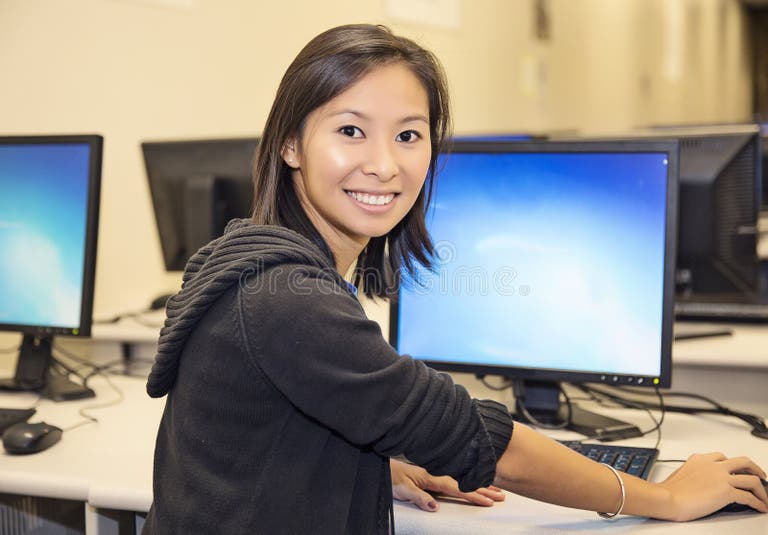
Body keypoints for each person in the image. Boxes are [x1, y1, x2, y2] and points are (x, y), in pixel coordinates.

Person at [143, 23, 767, 534]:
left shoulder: (257, 263)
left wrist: (368, 465)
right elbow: (481, 441)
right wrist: (667, 498)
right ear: (289, 145)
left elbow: (264, 434)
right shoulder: (285, 302)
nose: (385, 164)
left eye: (408, 135)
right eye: (351, 130)